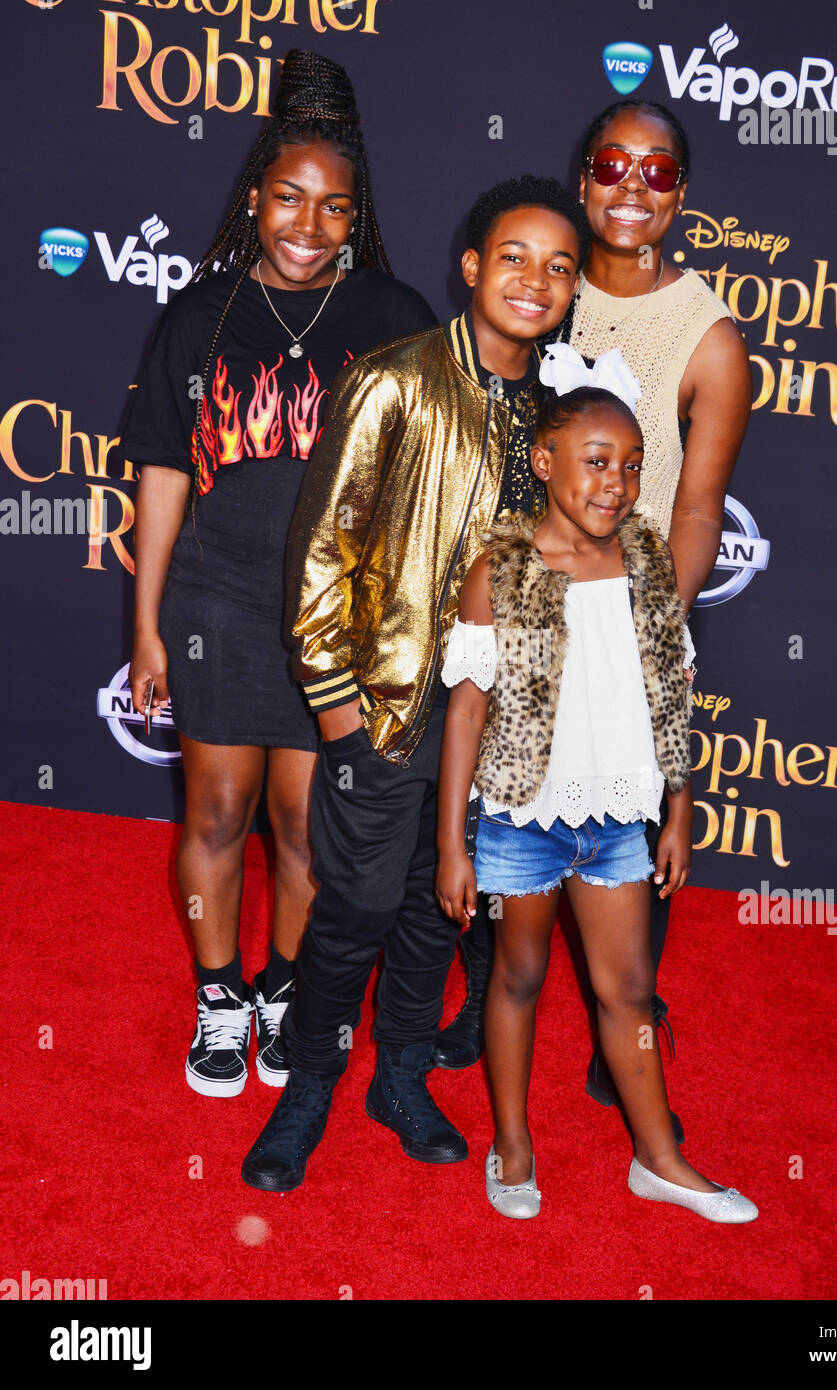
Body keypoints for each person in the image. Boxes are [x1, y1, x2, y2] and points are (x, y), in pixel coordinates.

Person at [239, 176, 590, 1193]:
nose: (535, 280)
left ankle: (399, 1075)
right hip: (383, 713)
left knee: (442, 913)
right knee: (348, 909)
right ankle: (307, 1085)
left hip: (498, 724)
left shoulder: (555, 417)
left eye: (558, 266)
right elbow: (320, 551)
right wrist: (341, 711)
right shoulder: (392, 381)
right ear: (471, 266)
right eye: (514, 257)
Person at [123, 50, 436, 1100]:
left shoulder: (395, 317)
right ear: (255, 196)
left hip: (333, 620)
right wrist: (148, 623)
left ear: (356, 215)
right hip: (214, 598)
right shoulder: (199, 314)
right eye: (289, 198)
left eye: (332, 207)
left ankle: (284, 986)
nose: (308, 223)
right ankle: (219, 999)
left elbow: (419, 485)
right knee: (215, 814)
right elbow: (164, 471)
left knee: (307, 824)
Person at [435, 101, 751, 1121]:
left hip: (625, 611)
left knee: (621, 825)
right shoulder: (546, 288)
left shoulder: (708, 341)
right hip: (515, 603)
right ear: (581, 179)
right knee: (509, 807)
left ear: (681, 196)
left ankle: (625, 1028)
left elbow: (698, 508)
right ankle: (490, 995)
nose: (631, 186)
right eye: (612, 164)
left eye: (657, 172)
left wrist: (646, 621)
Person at [434, 372, 757, 1223]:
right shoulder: (499, 572)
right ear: (544, 461)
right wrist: (452, 847)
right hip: (519, 821)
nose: (615, 483)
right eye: (596, 460)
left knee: (627, 992)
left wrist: (677, 813)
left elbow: (672, 698)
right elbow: (466, 712)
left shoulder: (650, 564)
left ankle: (659, 1159)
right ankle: (512, 1142)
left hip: (618, 818)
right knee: (518, 977)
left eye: (632, 466)